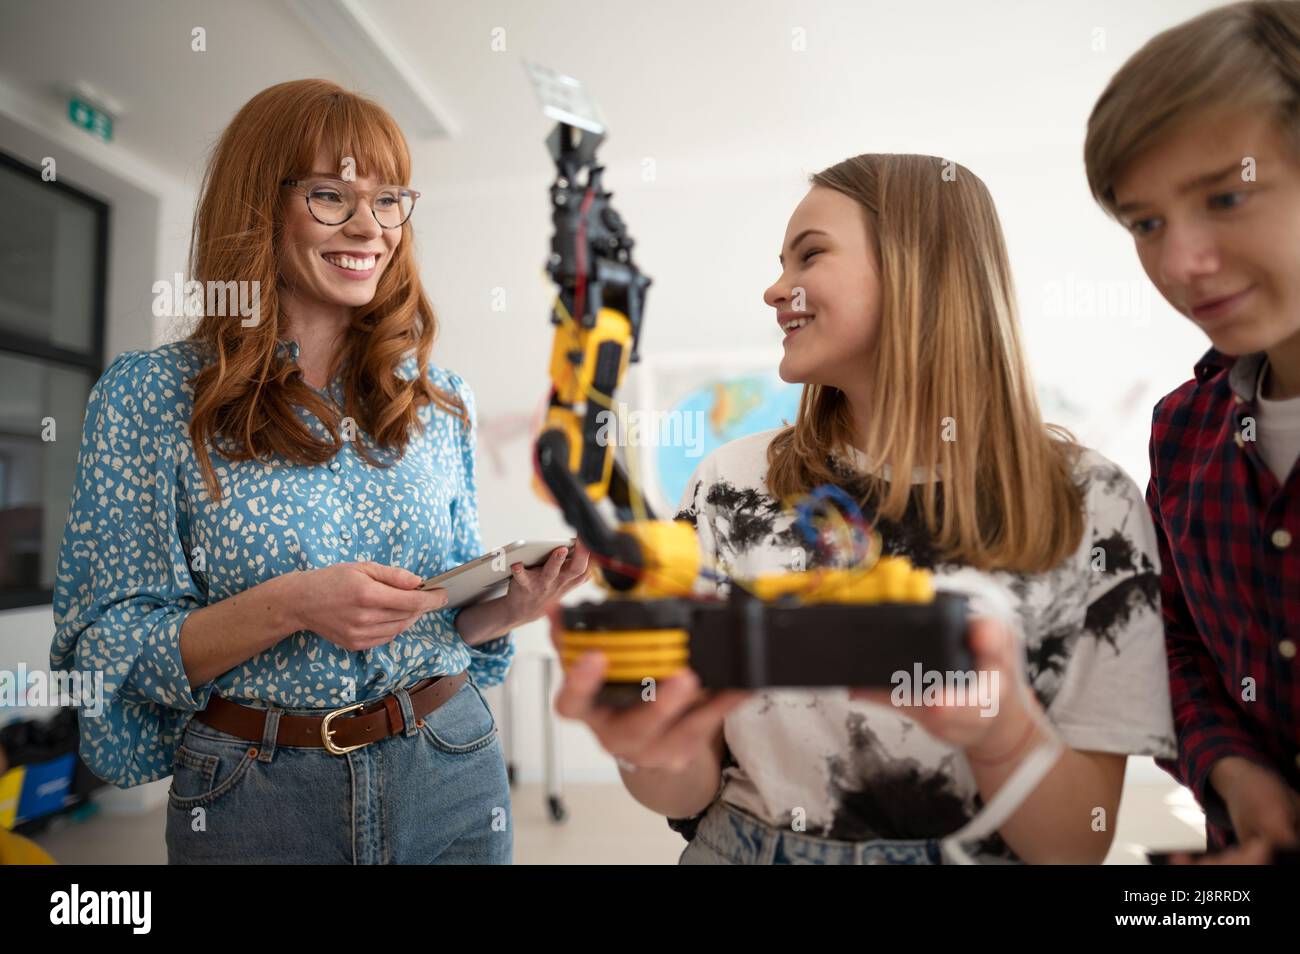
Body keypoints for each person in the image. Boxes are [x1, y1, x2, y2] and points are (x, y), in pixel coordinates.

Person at [552, 153, 1177, 864]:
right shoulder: (729, 482)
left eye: (808, 255)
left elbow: (1076, 847)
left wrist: (1002, 731)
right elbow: (687, 792)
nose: (773, 289)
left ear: (923, 268)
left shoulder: (1092, 505)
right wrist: (643, 741)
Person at [50, 79, 589, 864]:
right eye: (332, 195)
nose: (370, 227)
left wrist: (502, 608)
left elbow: (441, 618)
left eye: (389, 199)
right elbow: (104, 648)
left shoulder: (440, 402)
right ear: (257, 206)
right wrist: (291, 604)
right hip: (255, 797)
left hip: (451, 765)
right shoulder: (151, 396)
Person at [1084, 0, 1300, 861]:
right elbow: (1171, 638)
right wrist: (1236, 772)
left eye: (1226, 195)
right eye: (1145, 223)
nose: (1179, 264)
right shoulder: (1182, 430)